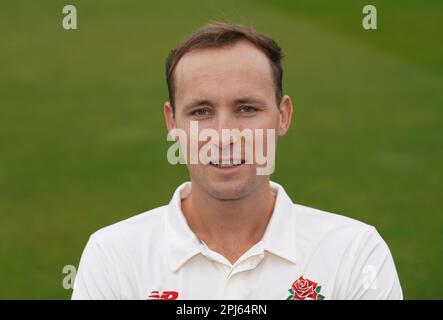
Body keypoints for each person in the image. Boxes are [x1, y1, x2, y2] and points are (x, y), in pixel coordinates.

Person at [72, 22, 402, 300]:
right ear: (172, 123)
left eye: (247, 109)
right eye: (201, 112)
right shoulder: (113, 256)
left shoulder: (355, 253)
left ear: (283, 116)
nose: (225, 135)